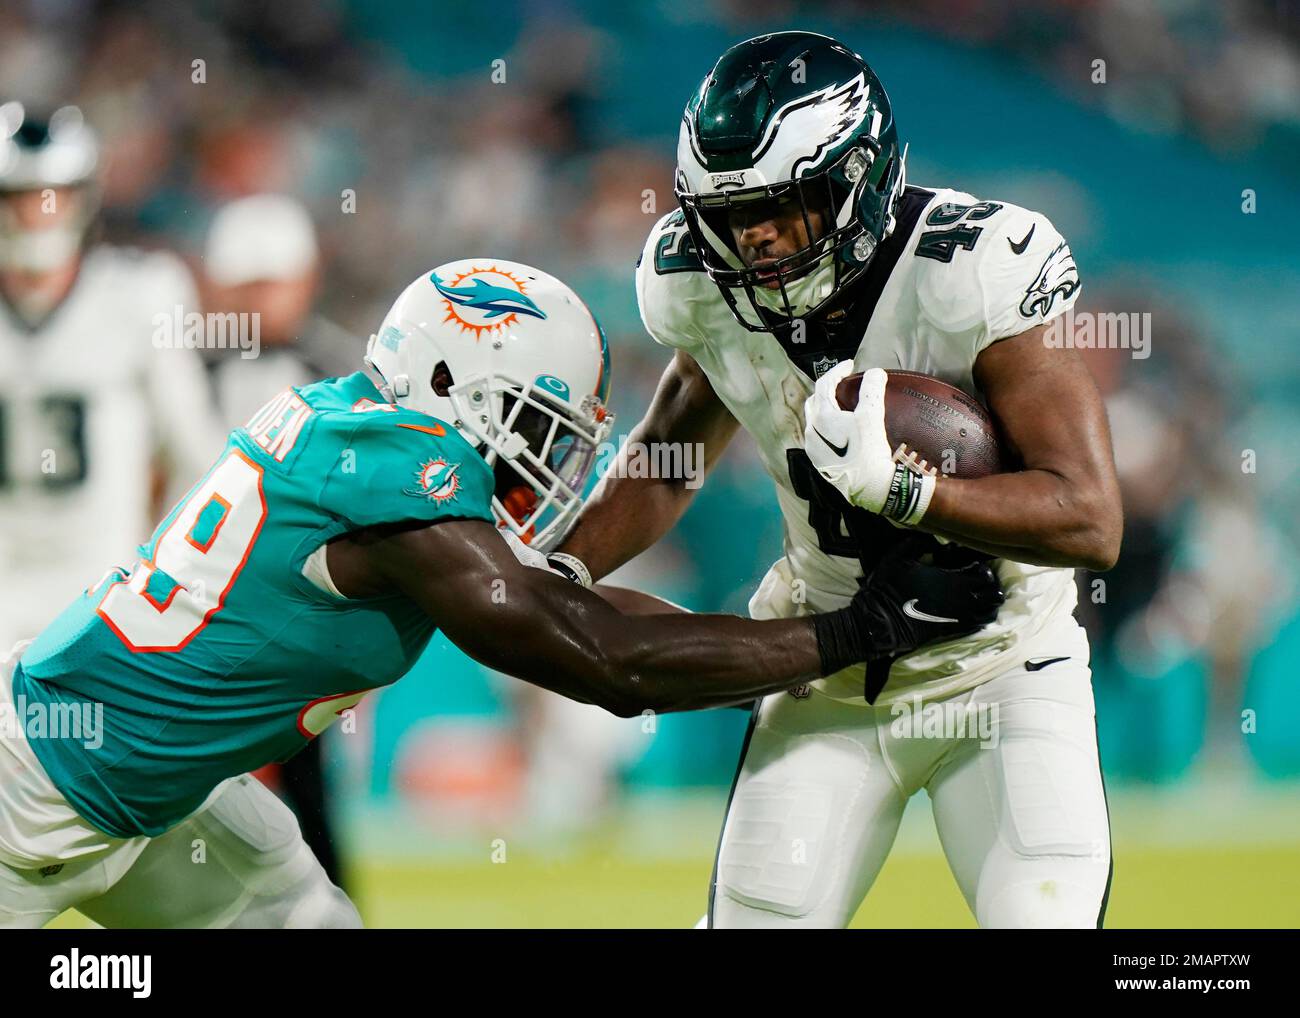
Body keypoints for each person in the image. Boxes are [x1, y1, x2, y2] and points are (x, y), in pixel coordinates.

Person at [0, 259, 1002, 928]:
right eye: (538, 420)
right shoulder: (402, 480)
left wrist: (807, 635)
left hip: (155, 795)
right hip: (29, 804)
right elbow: (608, 662)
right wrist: (856, 632)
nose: (550, 457)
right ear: (451, 379)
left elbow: (583, 612)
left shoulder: (354, 433)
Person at [556, 32, 1123, 928]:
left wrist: (910, 494)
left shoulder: (972, 268)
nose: (757, 237)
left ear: (860, 178)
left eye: (786, 206)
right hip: (827, 671)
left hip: (1004, 665)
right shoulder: (702, 288)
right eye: (733, 214)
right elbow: (666, 463)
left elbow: (1090, 518)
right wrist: (563, 567)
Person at [0, 101, 221, 650]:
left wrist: (180, 573)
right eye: (21, 201)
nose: (37, 216)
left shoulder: (139, 293)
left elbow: (195, 450)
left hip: (104, 580)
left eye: (50, 199)